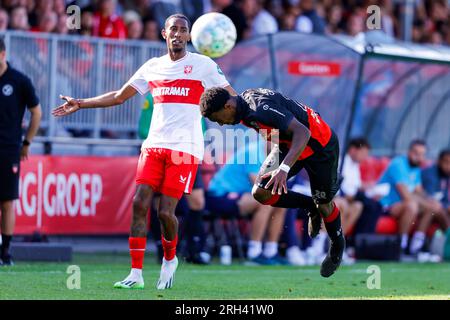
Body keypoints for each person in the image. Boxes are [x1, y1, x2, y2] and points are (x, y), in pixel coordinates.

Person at [52, 14, 236, 290]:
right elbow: (119, 96)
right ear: (164, 33)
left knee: (165, 212)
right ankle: (135, 274)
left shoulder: (203, 65)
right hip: (153, 146)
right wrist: (81, 103)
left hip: (184, 149)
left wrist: (257, 118)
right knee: (139, 203)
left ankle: (170, 260)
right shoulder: (153, 67)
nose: (177, 34)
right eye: (173, 29)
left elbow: (232, 97)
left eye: (183, 31)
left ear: (188, 37)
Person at [199, 87, 345, 278]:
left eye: (218, 118)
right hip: (288, 145)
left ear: (227, 106)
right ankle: (310, 206)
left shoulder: (259, 108)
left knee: (325, 205)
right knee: (261, 192)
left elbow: (303, 132)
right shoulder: (243, 110)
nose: (221, 124)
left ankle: (337, 245)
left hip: (319, 145)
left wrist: (283, 169)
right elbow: (275, 128)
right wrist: (273, 160)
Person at [205, 139, 288, 265]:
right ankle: (254, 253)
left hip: (239, 196)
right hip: (218, 197)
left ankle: (271, 252)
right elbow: (261, 186)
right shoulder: (253, 152)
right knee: (266, 201)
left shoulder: (274, 156)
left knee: (280, 204)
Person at [0, 38, 42, 266]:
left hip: (8, 150)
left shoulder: (19, 81)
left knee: (6, 201)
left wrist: (26, 143)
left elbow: (37, 112)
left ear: (2, 54)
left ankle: (5, 253)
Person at [378, 140, 446, 255]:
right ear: (409, 152)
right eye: (416, 153)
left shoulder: (416, 168)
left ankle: (416, 246)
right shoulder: (398, 164)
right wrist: (428, 203)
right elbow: (406, 196)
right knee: (412, 205)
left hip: (403, 204)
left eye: (422, 154)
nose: (419, 157)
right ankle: (400, 245)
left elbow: (419, 191)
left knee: (431, 208)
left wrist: (431, 201)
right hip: (385, 205)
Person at [421, 149, 450, 231]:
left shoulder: (445, 174)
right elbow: (430, 198)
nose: (449, 166)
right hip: (423, 206)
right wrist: (446, 207)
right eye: (446, 162)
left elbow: (444, 197)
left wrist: (447, 206)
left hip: (435, 206)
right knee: (439, 210)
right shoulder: (430, 173)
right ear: (438, 161)